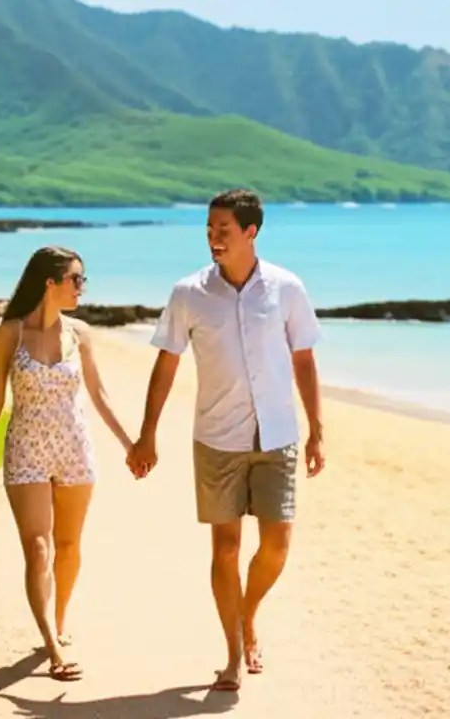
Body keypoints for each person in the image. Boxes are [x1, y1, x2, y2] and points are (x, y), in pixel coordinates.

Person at [128, 188, 325, 692]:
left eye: (224, 229)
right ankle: (234, 655)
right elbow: (166, 364)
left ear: (251, 231)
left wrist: (317, 430)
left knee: (277, 545)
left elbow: (304, 359)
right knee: (226, 548)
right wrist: (147, 434)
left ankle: (248, 614)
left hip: (277, 433)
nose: (214, 237)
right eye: (210, 228)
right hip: (217, 437)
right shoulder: (188, 293)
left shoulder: (287, 288)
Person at [0, 245, 133, 681]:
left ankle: (57, 622)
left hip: (75, 449)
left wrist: (130, 443)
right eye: (76, 279)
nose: (82, 287)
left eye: (83, 280)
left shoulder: (80, 334)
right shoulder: (9, 335)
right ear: (50, 282)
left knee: (70, 546)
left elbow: (99, 394)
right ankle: (55, 647)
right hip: (27, 450)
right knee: (38, 547)